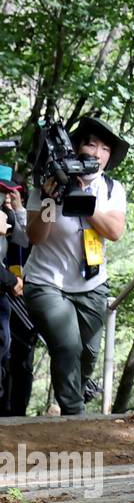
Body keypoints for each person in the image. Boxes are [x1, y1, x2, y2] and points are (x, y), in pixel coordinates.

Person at [23, 118, 128, 415]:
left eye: (105, 148)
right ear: (77, 147)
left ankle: (73, 400)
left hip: (91, 284)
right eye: (91, 144)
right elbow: (36, 236)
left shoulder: (111, 189)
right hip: (46, 282)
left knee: (89, 353)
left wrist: (83, 199)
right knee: (67, 346)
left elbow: (115, 231)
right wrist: (49, 199)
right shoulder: (48, 182)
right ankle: (74, 414)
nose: (97, 152)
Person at [0, 165, 28, 407]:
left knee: (19, 358)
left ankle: (16, 410)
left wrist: (17, 213)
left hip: (19, 301)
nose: (6, 198)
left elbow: (26, 244)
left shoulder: (13, 219)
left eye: (12, 194)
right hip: (6, 290)